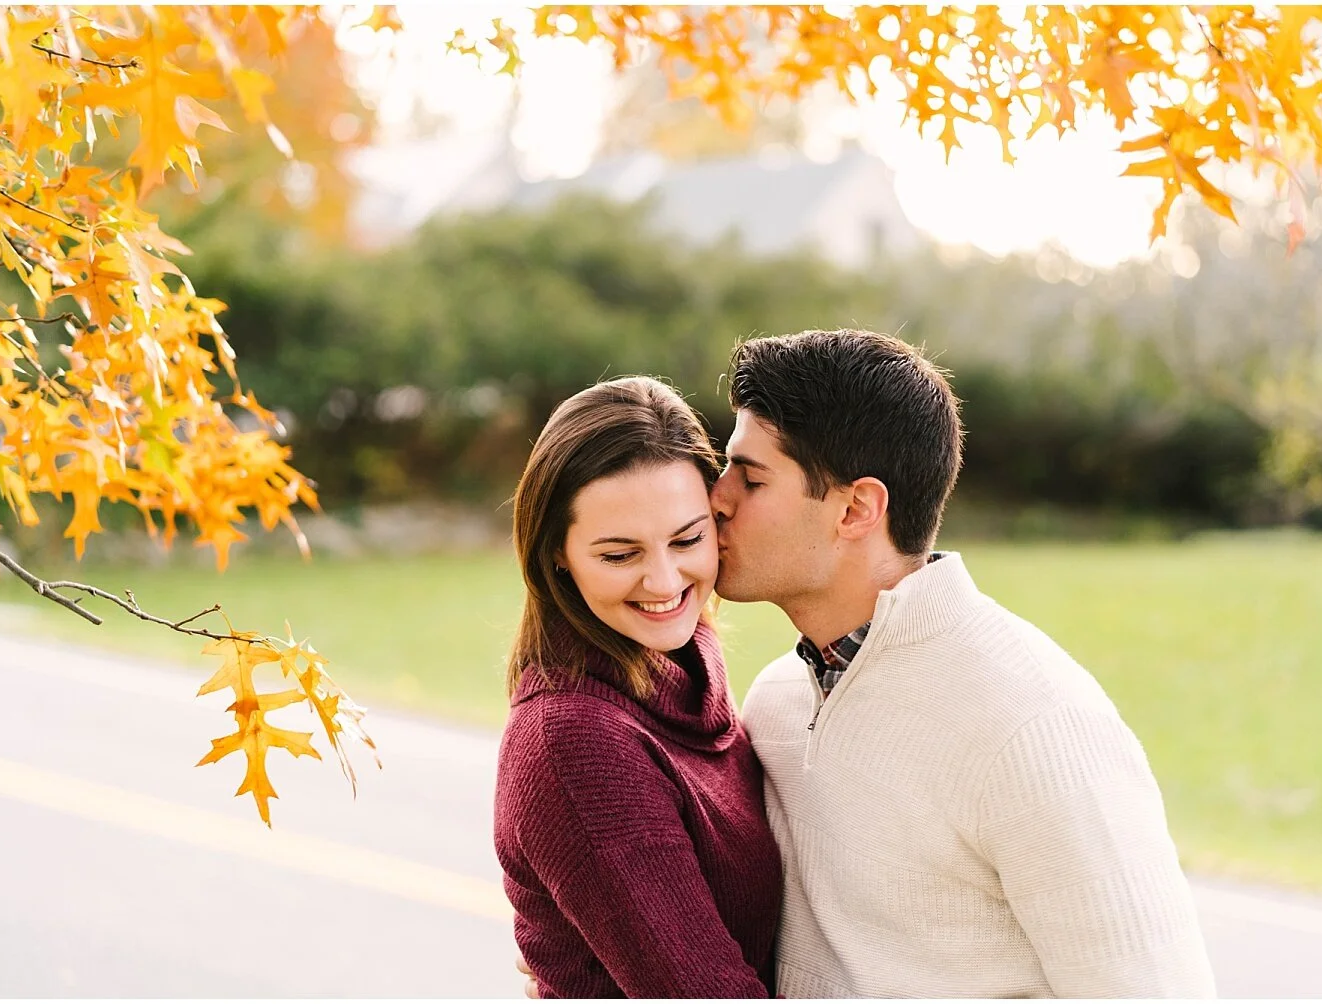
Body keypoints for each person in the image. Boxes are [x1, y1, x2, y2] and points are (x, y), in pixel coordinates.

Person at [711, 329, 1216, 997]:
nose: (717, 498)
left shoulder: (1035, 723)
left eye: (750, 478)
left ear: (856, 509)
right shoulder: (775, 701)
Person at [494, 376, 782, 999]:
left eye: (687, 539)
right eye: (620, 555)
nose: (664, 581)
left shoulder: (684, 672)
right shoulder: (575, 741)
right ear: (557, 554)